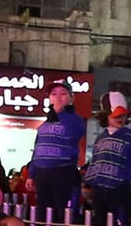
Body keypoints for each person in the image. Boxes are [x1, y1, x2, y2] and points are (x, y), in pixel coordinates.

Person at [81, 94, 131, 226]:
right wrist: (91, 182)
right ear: (106, 115)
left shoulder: (130, 137)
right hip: (100, 191)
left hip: (119, 190)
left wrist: (123, 178)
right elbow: (95, 162)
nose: (120, 118)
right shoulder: (100, 138)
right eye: (116, 114)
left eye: (123, 115)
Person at [27, 79, 90, 215]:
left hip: (62, 172)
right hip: (42, 173)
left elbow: (76, 134)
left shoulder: (75, 120)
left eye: (63, 94)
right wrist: (31, 175)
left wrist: (63, 113)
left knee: (61, 213)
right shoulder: (45, 123)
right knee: (43, 213)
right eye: (54, 94)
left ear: (71, 98)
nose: (58, 97)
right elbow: (37, 149)